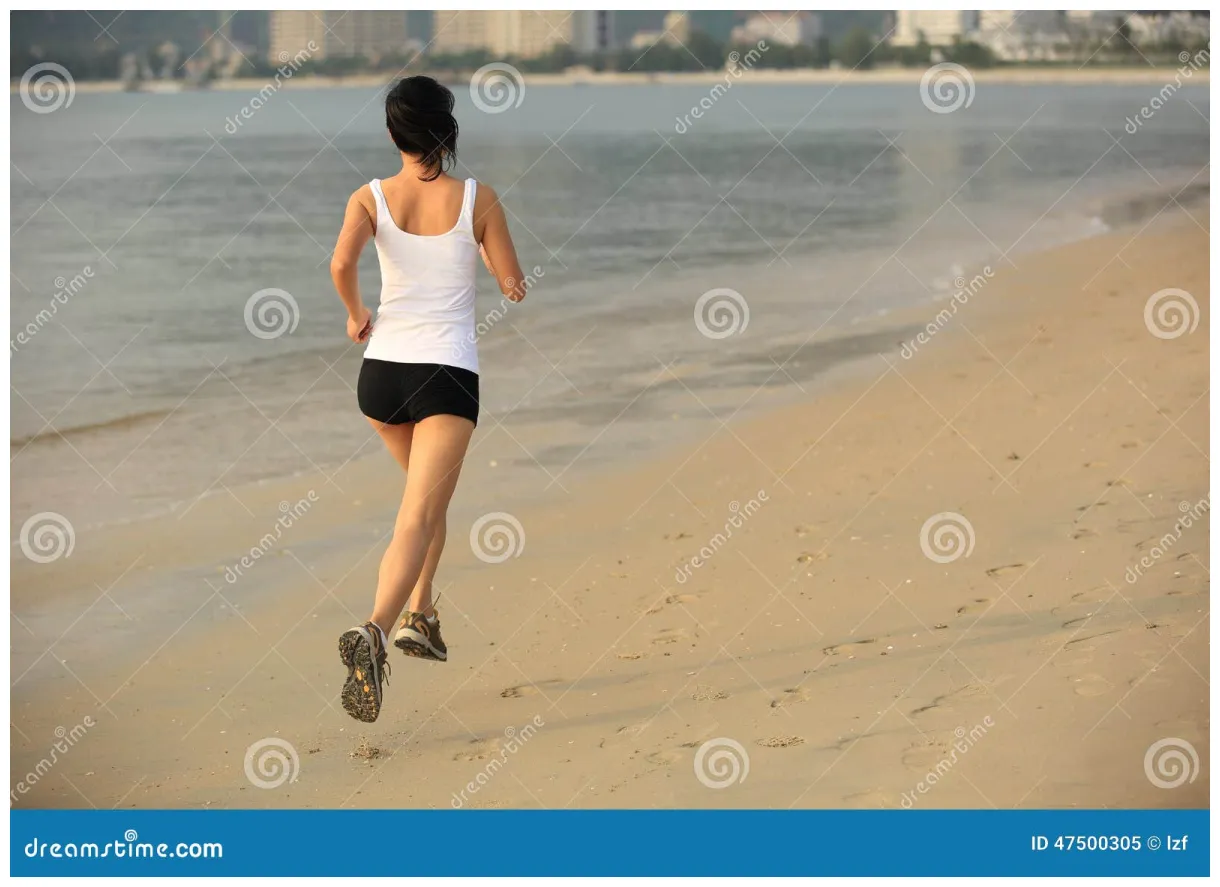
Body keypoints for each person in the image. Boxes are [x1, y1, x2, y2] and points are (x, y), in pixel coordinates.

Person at [329, 75, 525, 723]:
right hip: (444, 378)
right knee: (416, 516)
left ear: (393, 133)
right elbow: (511, 281)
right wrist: (509, 280)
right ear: (451, 131)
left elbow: (339, 265)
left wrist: (358, 313)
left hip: (380, 375)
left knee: (426, 502)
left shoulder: (369, 197)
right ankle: (377, 631)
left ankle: (424, 616)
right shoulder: (480, 199)